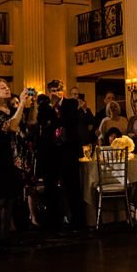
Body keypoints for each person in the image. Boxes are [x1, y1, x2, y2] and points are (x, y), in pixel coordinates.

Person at [0, 79, 37, 246]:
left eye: (7, 86)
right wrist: (21, 105)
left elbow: (29, 123)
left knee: (11, 198)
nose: (6, 89)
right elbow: (10, 127)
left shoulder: (12, 108)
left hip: (14, 158)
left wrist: (32, 105)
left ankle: (6, 235)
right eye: (2, 87)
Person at [37, 79, 84, 231]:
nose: (55, 93)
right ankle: (53, 223)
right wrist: (52, 109)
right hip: (51, 152)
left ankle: (78, 222)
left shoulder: (71, 103)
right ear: (48, 92)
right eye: (52, 91)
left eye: (58, 90)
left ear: (62, 91)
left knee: (73, 187)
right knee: (51, 188)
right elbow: (42, 123)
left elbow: (70, 121)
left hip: (68, 151)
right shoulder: (45, 106)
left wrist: (54, 121)